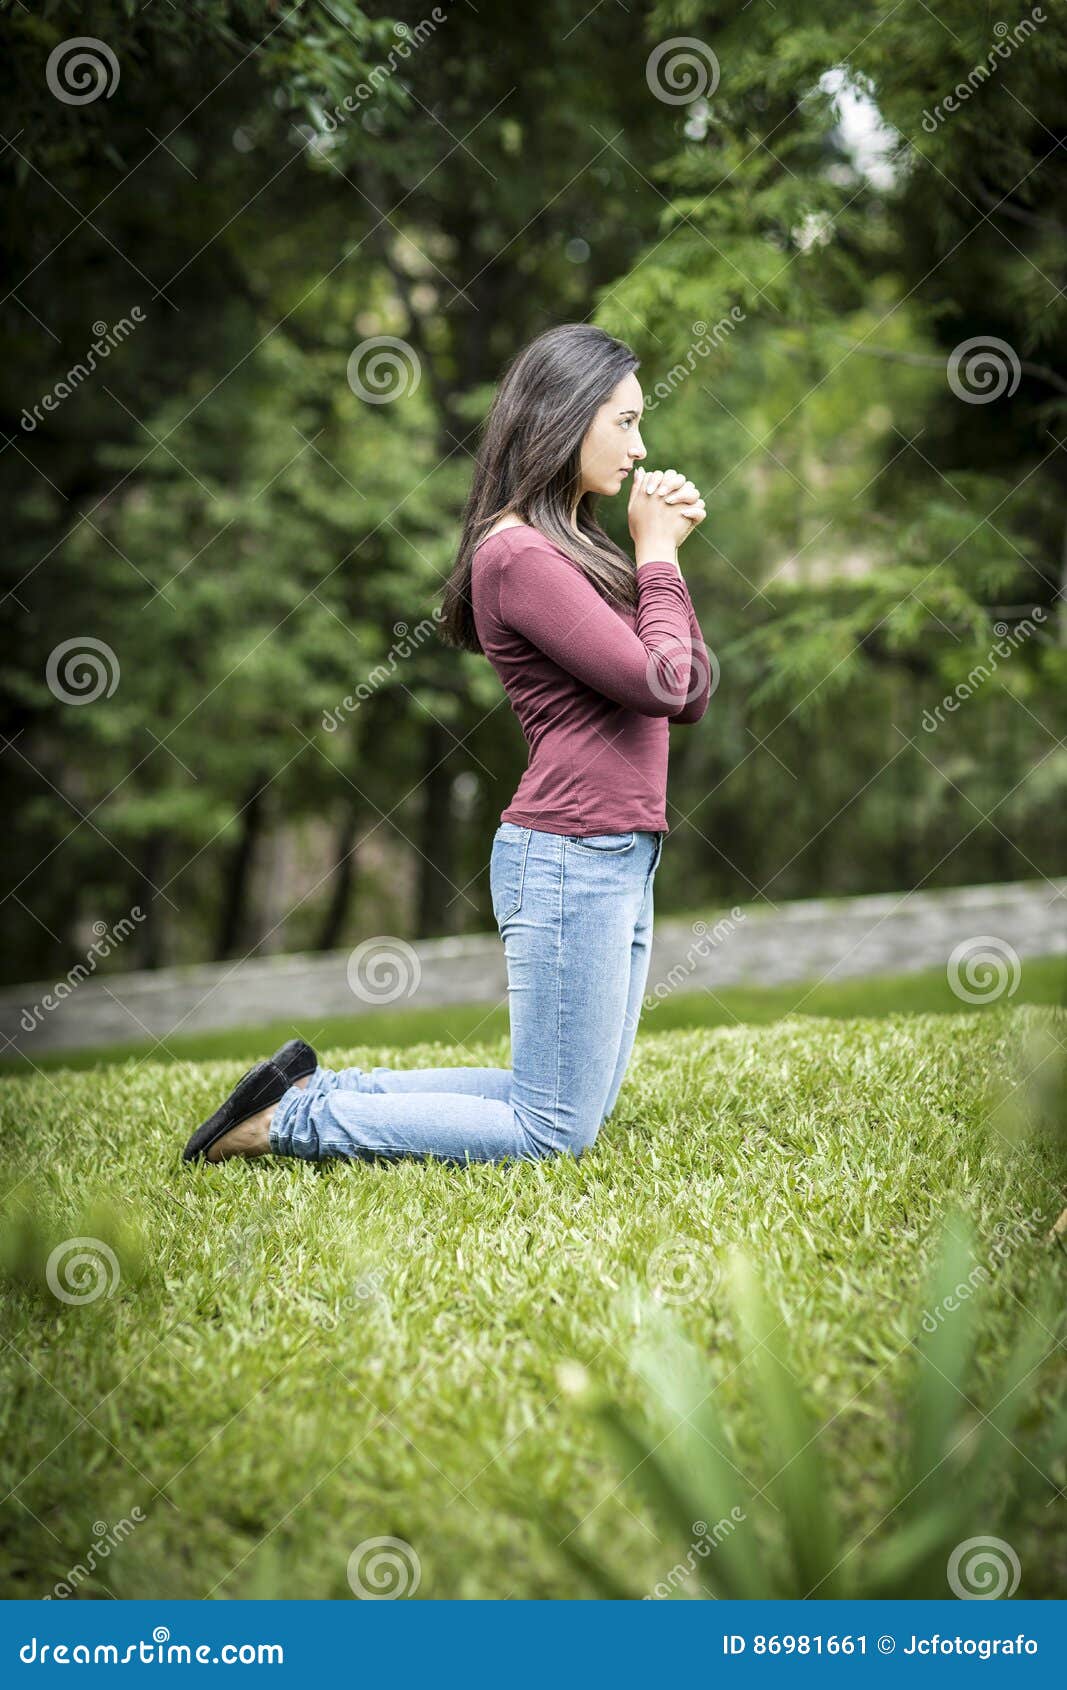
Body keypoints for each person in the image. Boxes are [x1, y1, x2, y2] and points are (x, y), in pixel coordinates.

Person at [182, 323, 710, 1167]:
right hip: (569, 852)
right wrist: (654, 553)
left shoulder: (577, 547)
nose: (640, 447)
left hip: (616, 850)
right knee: (553, 1133)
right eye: (624, 421)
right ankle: (286, 1125)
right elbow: (659, 681)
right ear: (563, 415)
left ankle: (319, 1093)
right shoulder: (518, 557)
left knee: (575, 1105)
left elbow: (687, 692)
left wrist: (662, 565)